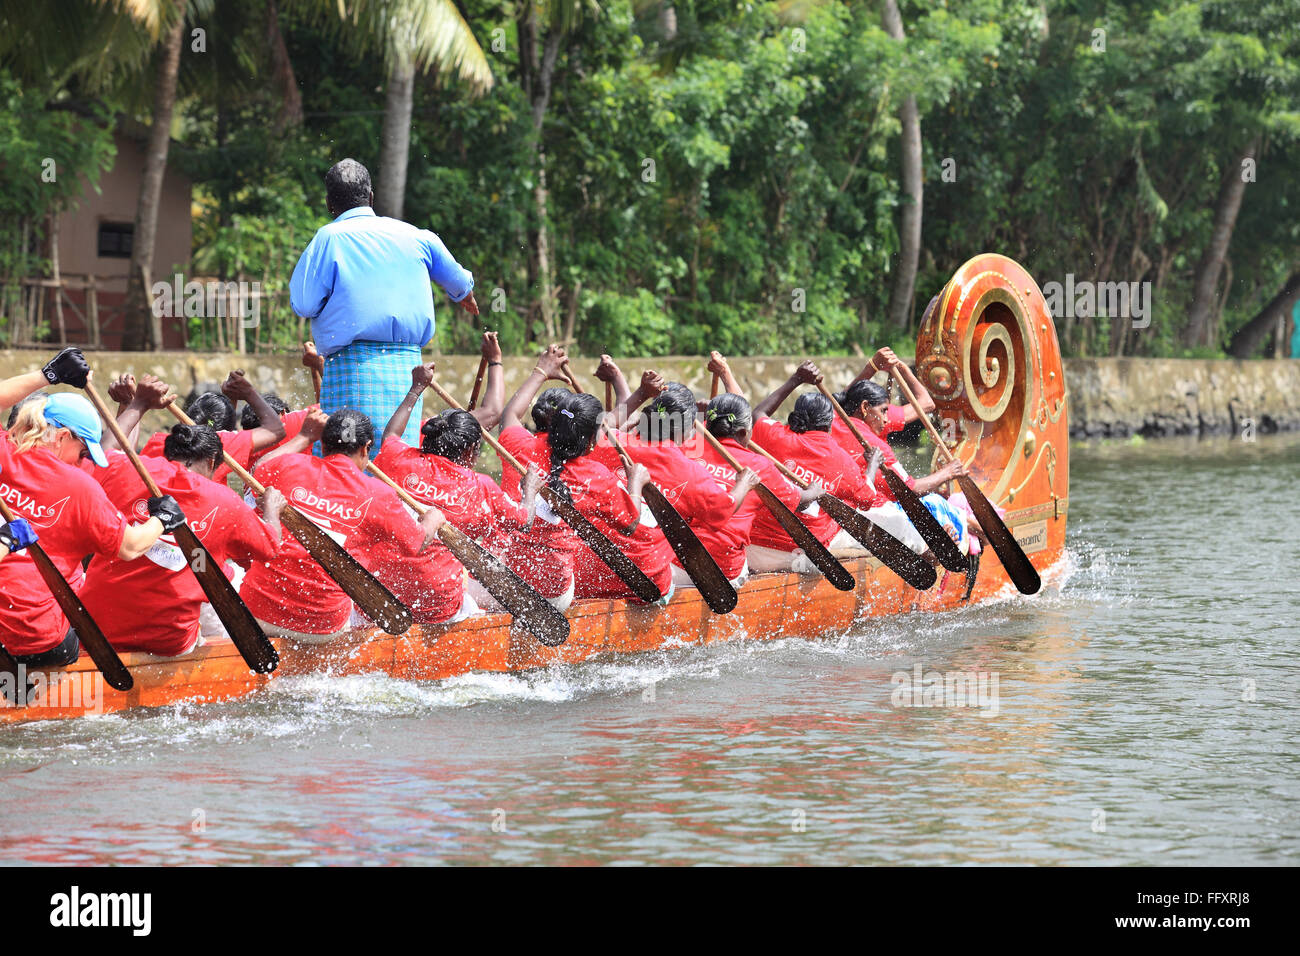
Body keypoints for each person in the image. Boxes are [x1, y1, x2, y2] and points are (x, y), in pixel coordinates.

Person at [0, 349, 183, 664]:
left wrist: (48, 375)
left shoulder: (5, 449)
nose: (82, 461)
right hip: (34, 640)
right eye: (83, 451)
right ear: (62, 437)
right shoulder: (82, 487)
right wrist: (161, 520)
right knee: (88, 575)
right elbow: (130, 547)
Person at [289, 158, 480, 453]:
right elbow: (460, 283)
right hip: (408, 371)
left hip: (351, 369)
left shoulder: (327, 238)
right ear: (371, 198)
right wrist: (464, 296)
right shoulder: (417, 236)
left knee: (346, 465)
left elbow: (303, 304)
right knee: (396, 463)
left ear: (329, 204)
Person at [79, 424, 286, 657]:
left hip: (94, 630)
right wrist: (272, 509)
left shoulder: (126, 468)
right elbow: (271, 547)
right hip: (167, 642)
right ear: (211, 463)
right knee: (212, 571)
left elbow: (103, 455)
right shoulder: (226, 500)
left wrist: (136, 405)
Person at [239, 409, 448, 638]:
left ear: (323, 443)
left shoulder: (288, 465)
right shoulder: (379, 494)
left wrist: (304, 437)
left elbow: (256, 471)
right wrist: (433, 519)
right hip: (321, 629)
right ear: (365, 448)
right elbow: (416, 543)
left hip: (254, 614)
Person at [375, 406, 558, 611]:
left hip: (380, 592)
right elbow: (524, 521)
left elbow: (390, 435)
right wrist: (529, 491)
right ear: (470, 451)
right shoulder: (481, 486)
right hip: (437, 605)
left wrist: (416, 389)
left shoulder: (401, 459)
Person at [596, 384, 760, 589]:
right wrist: (743, 484)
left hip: (595, 560)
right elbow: (723, 511)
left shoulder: (613, 441)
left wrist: (640, 397)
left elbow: (600, 427)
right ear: (688, 430)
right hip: (645, 575)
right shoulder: (690, 472)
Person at [543, 393, 673, 603]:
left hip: (532, 574)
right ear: (592, 442)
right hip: (566, 587)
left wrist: (641, 391)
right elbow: (630, 524)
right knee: (668, 573)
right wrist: (635, 483)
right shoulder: (596, 475)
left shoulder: (523, 448)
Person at [747, 362, 876, 571]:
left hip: (755, 547)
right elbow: (868, 499)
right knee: (854, 516)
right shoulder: (842, 461)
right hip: (804, 552)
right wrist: (872, 465)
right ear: (830, 422)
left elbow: (758, 414)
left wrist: (795, 379)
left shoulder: (775, 436)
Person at [692, 392, 827, 577]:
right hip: (725, 568)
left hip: (678, 558)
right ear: (743, 433)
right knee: (816, 569)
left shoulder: (690, 445)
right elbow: (800, 502)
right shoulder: (758, 465)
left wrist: (701, 415)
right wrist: (815, 491)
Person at [139, 370, 286, 485]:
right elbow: (276, 429)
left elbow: (117, 454)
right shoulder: (222, 444)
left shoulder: (158, 441)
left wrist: (133, 404)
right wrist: (248, 392)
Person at [497, 344, 575, 501]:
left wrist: (540, 372)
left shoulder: (517, 445)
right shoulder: (590, 459)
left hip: (515, 524)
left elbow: (510, 413)